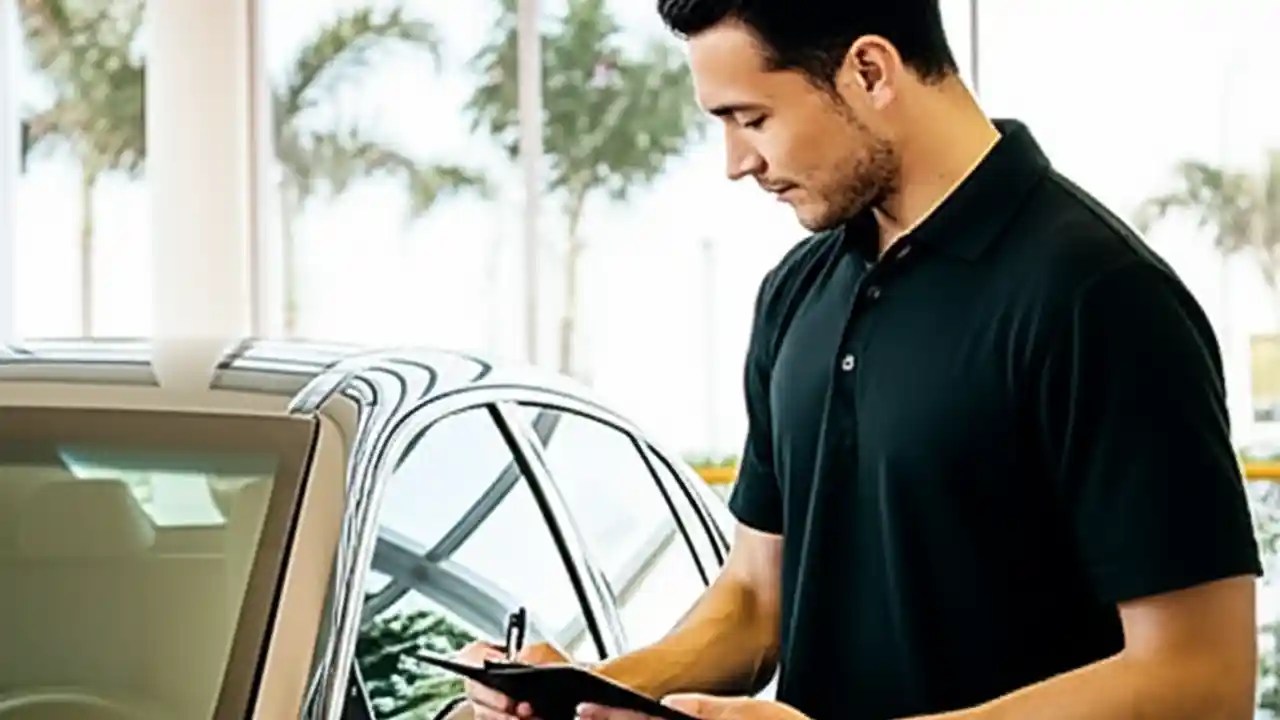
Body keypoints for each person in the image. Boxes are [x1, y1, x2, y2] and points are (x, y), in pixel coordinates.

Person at [455, 1, 1264, 718]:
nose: (736, 162)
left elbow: (1200, 677)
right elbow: (755, 598)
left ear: (869, 70)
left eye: (752, 119)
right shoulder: (795, 294)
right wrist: (588, 691)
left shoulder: (1101, 297)